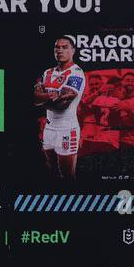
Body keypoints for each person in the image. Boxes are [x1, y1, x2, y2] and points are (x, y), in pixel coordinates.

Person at [33, 34, 87, 181]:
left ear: (73, 51)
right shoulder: (47, 73)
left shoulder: (77, 73)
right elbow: (33, 98)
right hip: (49, 129)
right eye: (57, 47)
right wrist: (53, 95)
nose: (60, 50)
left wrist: (43, 97)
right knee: (52, 172)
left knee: (68, 175)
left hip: (67, 129)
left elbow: (63, 105)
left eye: (65, 47)